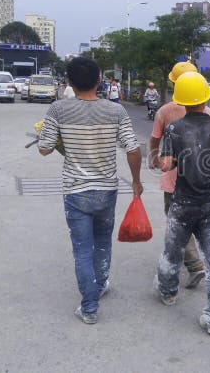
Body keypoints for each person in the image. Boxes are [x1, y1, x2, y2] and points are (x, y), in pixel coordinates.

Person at [38, 57, 143, 325]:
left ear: (70, 82)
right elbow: (133, 148)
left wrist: (57, 136)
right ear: (99, 81)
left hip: (76, 192)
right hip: (107, 191)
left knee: (83, 249)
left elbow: (44, 148)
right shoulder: (116, 112)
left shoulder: (57, 110)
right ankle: (101, 283)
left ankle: (89, 307)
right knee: (103, 242)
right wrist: (136, 181)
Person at [155, 71, 210, 336]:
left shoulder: (174, 129)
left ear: (181, 101)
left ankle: (168, 292)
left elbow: (166, 165)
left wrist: (171, 159)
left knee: (172, 252)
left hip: (182, 204)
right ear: (205, 98)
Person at [149, 62, 210, 289]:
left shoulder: (164, 112)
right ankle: (201, 263)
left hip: (172, 179)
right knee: (197, 223)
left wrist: (154, 158)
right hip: (200, 179)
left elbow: (155, 139)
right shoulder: (207, 112)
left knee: (177, 224)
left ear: (174, 84)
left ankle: (194, 266)